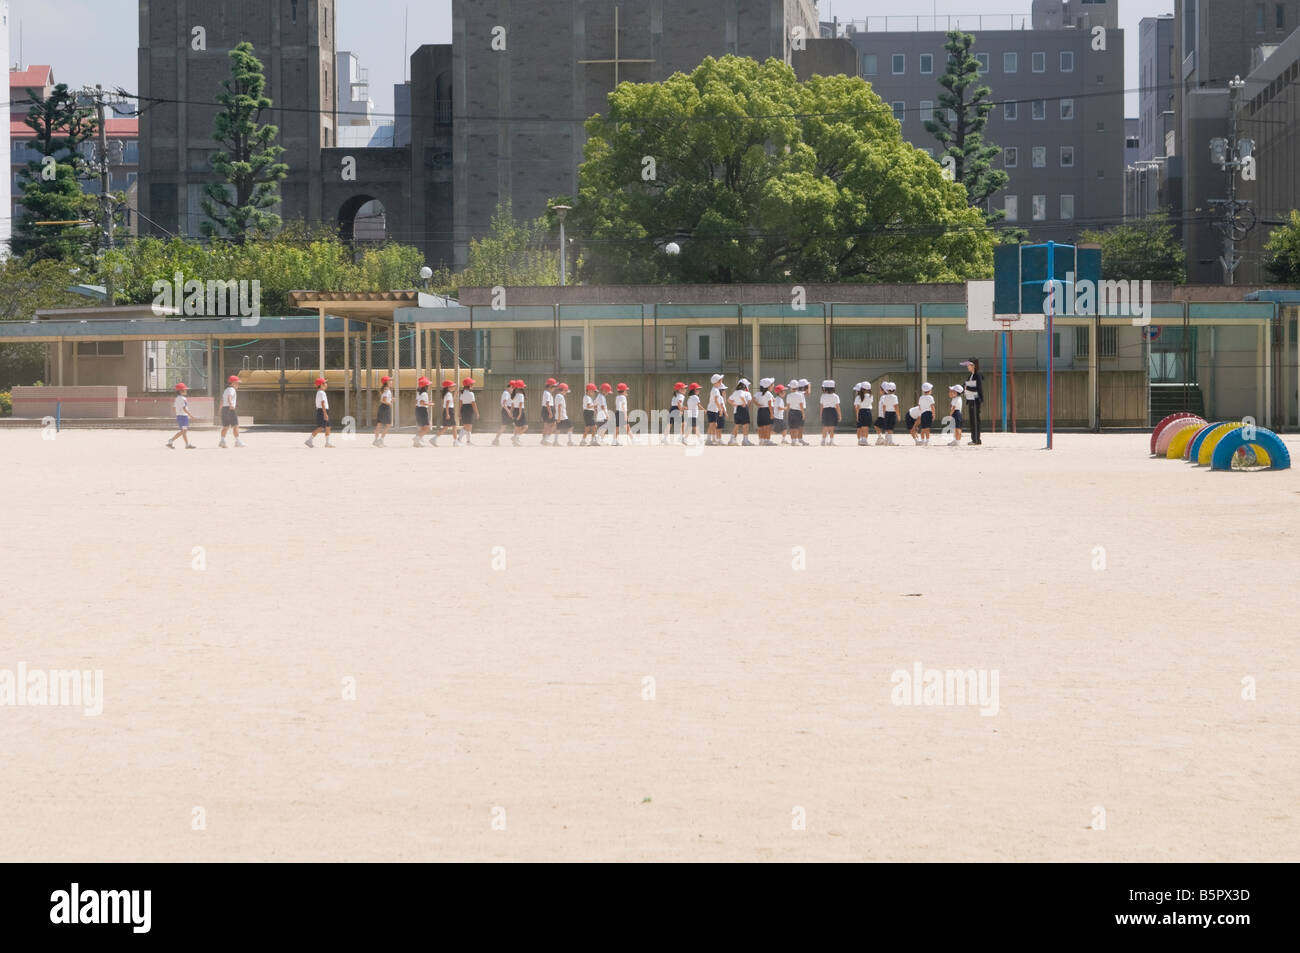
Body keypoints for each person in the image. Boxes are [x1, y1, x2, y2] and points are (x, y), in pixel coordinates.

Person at [167, 382, 197, 449]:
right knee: (184, 431)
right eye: (185, 390)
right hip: (183, 416)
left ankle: (187, 444)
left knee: (184, 431)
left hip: (180, 416)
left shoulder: (177, 398)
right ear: (181, 391)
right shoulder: (183, 398)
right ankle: (171, 441)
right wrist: (190, 415)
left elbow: (174, 408)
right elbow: (184, 408)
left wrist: (177, 414)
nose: (186, 391)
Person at [961, 359, 984, 445]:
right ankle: (974, 438)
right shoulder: (971, 375)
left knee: (975, 420)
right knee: (972, 420)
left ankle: (976, 440)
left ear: (973, 365)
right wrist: (961, 388)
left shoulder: (977, 375)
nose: (967, 367)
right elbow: (965, 385)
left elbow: (978, 387)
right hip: (970, 400)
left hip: (975, 400)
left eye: (968, 365)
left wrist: (967, 388)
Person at [218, 375, 245, 448]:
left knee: (225, 426)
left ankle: (222, 441)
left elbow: (222, 400)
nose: (238, 385)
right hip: (230, 409)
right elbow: (229, 397)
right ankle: (237, 441)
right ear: (233, 383)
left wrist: (220, 410)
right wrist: (231, 404)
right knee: (235, 425)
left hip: (224, 408)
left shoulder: (225, 390)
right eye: (237, 383)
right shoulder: (232, 390)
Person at [306, 377, 334, 448]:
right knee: (321, 427)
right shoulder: (321, 393)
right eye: (325, 383)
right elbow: (322, 403)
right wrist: (325, 414)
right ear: (321, 384)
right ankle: (309, 440)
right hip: (322, 411)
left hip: (323, 410)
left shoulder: (320, 392)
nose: (326, 384)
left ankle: (327, 443)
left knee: (328, 426)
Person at [728, 378, 753, 446]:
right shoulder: (747, 393)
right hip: (743, 409)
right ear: (745, 386)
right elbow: (749, 401)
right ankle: (745, 440)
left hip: (736, 409)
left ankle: (731, 439)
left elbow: (729, 400)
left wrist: (734, 404)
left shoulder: (735, 392)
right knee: (746, 425)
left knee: (736, 425)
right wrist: (745, 403)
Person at [434, 379, 458, 446]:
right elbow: (447, 404)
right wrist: (447, 414)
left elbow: (450, 401)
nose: (454, 387)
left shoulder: (448, 394)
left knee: (446, 427)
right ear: (448, 387)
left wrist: (455, 395)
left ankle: (434, 438)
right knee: (454, 426)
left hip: (448, 410)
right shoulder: (449, 394)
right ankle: (455, 441)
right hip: (449, 411)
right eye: (452, 386)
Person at [493, 380, 516, 446]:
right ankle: (496, 439)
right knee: (504, 426)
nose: (513, 389)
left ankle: (496, 439)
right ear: (510, 386)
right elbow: (504, 404)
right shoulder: (506, 393)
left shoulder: (508, 393)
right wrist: (509, 412)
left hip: (507, 410)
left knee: (511, 425)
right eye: (513, 388)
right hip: (506, 411)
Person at [876, 381, 899, 446]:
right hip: (885, 414)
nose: (880, 390)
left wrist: (883, 414)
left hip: (883, 415)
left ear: (883, 390)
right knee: (887, 428)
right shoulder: (887, 397)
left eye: (880, 389)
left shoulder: (884, 397)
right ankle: (887, 440)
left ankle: (882, 438)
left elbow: (884, 406)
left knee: (879, 426)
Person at [785, 378, 807, 445]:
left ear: (791, 388)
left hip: (791, 412)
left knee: (792, 427)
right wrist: (803, 413)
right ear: (797, 387)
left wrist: (787, 413)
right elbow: (801, 405)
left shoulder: (788, 395)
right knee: (797, 427)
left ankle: (793, 440)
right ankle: (796, 440)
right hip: (798, 412)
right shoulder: (800, 395)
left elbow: (788, 406)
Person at [819, 380, 840, 445]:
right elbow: (837, 407)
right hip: (833, 411)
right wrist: (839, 415)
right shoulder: (835, 396)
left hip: (825, 411)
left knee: (825, 427)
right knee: (832, 428)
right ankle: (831, 441)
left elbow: (821, 406)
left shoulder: (823, 396)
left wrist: (820, 415)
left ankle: (823, 441)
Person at [754, 378, 775, 445]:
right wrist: (772, 414)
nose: (773, 385)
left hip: (760, 410)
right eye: (772, 384)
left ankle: (761, 440)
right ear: (768, 386)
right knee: (768, 427)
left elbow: (753, 398)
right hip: (767, 410)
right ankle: (767, 440)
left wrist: (758, 404)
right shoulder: (768, 393)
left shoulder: (758, 393)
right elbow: (769, 404)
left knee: (761, 426)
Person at [375, 375, 394, 446]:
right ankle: (380, 440)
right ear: (386, 382)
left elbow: (383, 399)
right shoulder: (387, 390)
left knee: (379, 424)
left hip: (382, 408)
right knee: (388, 425)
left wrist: (390, 400)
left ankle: (376, 440)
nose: (391, 382)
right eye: (390, 381)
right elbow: (383, 400)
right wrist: (389, 403)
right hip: (385, 408)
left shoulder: (385, 390)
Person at [413, 376, 432, 446]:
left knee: (421, 427)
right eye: (428, 385)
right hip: (422, 410)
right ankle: (417, 438)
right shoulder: (424, 393)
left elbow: (418, 401)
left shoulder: (419, 392)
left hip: (419, 409)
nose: (429, 386)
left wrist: (427, 402)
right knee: (427, 427)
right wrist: (429, 404)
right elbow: (421, 402)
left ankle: (417, 442)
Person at [706, 374, 726, 445]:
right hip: (712, 410)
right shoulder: (715, 390)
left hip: (713, 410)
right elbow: (716, 400)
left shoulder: (715, 389)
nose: (721, 381)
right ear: (717, 381)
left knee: (714, 424)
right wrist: (720, 409)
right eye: (720, 380)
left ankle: (714, 439)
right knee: (712, 424)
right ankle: (708, 440)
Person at [458, 377, 477, 445]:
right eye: (472, 384)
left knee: (469, 426)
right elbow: (473, 404)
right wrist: (477, 412)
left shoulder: (462, 393)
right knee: (467, 426)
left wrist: (459, 412)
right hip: (469, 409)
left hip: (464, 408)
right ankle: (459, 439)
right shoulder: (471, 394)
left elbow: (460, 403)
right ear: (469, 385)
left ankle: (468, 441)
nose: (473, 385)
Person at [853, 382, 873, 446]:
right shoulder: (871, 396)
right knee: (866, 428)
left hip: (861, 412)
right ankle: (864, 440)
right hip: (868, 412)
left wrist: (857, 416)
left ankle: (861, 440)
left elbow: (857, 408)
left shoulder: (858, 397)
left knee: (860, 427)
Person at [917, 382, 936, 446]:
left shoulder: (921, 397)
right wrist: (933, 414)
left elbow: (919, 406)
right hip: (928, 413)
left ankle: (922, 441)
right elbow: (932, 406)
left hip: (923, 414)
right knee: (927, 429)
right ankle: (927, 441)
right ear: (929, 390)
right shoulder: (930, 397)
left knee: (923, 428)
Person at [540, 378, 557, 445]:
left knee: (547, 425)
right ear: (550, 386)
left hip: (546, 409)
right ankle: (546, 438)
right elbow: (547, 403)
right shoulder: (547, 393)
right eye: (554, 386)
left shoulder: (547, 393)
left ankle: (544, 439)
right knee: (554, 425)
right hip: (547, 409)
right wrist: (550, 412)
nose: (554, 388)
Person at [510, 381, 528, 446]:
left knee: (518, 427)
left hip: (515, 410)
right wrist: (520, 414)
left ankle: (516, 440)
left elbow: (512, 405)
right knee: (525, 427)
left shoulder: (514, 395)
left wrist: (511, 413)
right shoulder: (521, 395)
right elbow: (520, 405)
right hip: (520, 411)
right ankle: (516, 437)